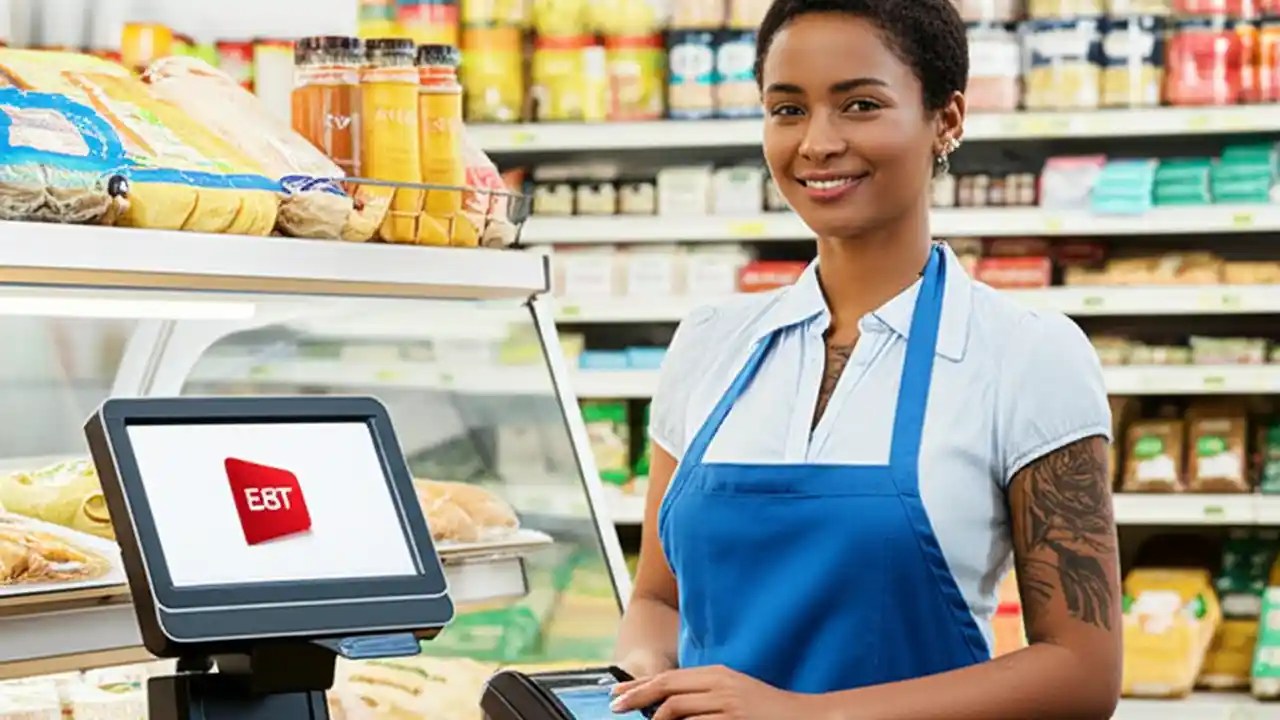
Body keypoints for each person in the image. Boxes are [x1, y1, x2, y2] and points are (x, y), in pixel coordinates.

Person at [608, 1, 1123, 718]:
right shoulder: (710, 344)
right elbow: (658, 599)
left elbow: (1081, 673)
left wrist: (801, 714)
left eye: (859, 104)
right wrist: (637, 672)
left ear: (946, 119)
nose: (817, 142)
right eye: (787, 109)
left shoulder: (1027, 356)